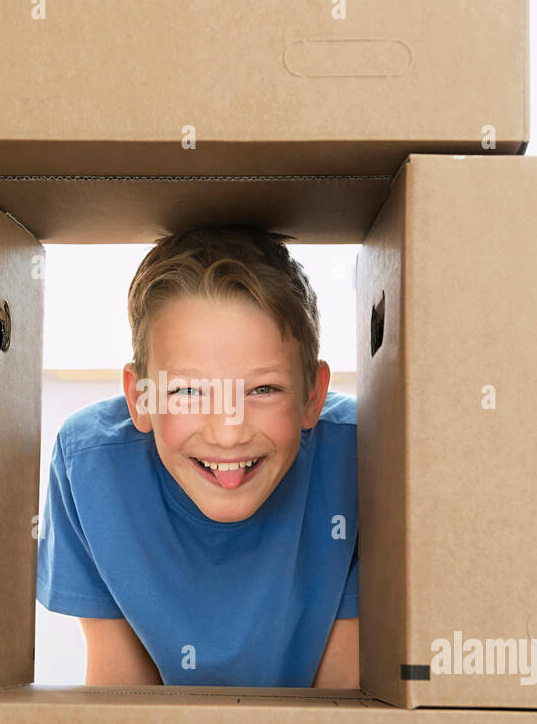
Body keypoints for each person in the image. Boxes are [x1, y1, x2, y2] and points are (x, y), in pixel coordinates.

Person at [36, 225, 358, 687]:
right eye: (187, 391)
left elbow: (343, 714)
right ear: (140, 398)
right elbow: (124, 703)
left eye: (263, 389)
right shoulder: (90, 466)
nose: (228, 433)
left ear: (313, 395)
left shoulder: (358, 460)